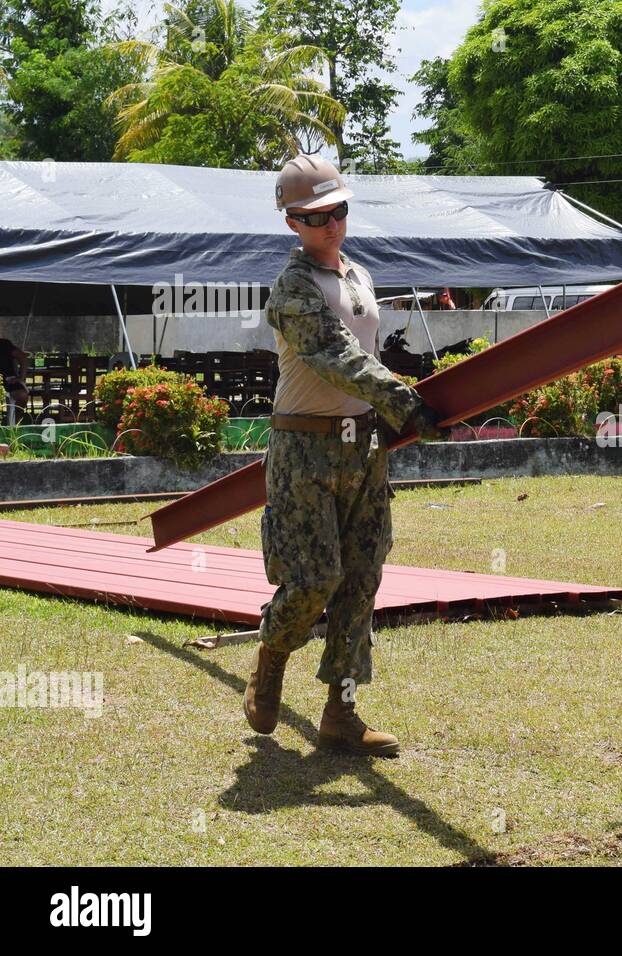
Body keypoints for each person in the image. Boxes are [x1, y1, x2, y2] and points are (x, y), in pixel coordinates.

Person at [242, 154, 446, 758]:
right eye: (314, 217)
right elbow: (334, 356)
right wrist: (401, 399)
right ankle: (272, 653)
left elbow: (370, 354)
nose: (330, 225)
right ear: (292, 224)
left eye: (338, 211)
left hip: (364, 446)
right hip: (304, 446)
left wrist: (395, 406)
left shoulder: (358, 276)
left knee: (361, 578)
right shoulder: (292, 286)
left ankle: (342, 712)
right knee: (313, 579)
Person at [0, 338, 29, 424]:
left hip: (7, 380)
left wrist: (21, 378)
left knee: (22, 395)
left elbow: (23, 357)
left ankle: (15, 420)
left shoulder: (4, 344)